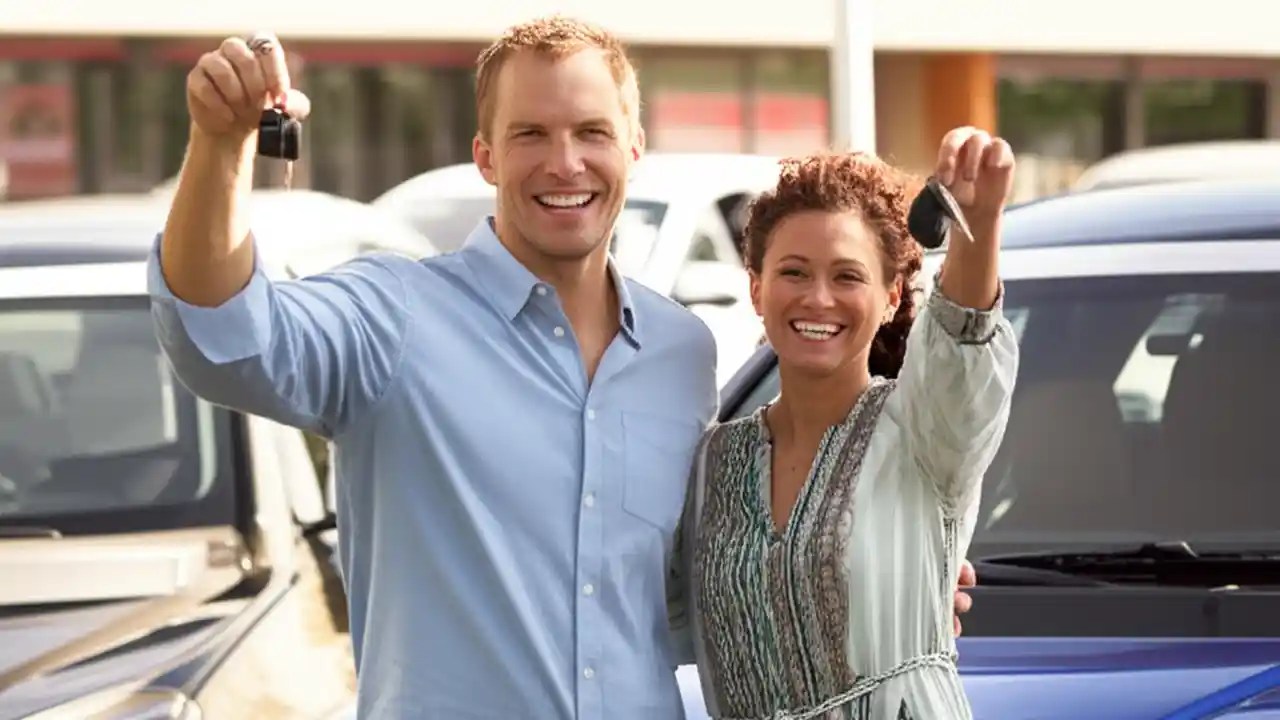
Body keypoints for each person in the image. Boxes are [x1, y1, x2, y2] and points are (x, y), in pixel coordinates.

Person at [151, 15, 977, 719]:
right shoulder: (393, 318)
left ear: (634, 149)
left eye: (591, 133)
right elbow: (226, 335)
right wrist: (219, 146)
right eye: (531, 135)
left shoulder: (679, 352)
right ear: (485, 156)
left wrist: (870, 575)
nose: (565, 163)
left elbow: (681, 593)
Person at [672, 132, 1019, 720]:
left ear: (890, 298)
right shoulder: (713, 460)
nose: (819, 298)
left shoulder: (924, 432)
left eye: (848, 277)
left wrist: (979, 223)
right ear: (756, 289)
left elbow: (962, 347)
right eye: (794, 273)